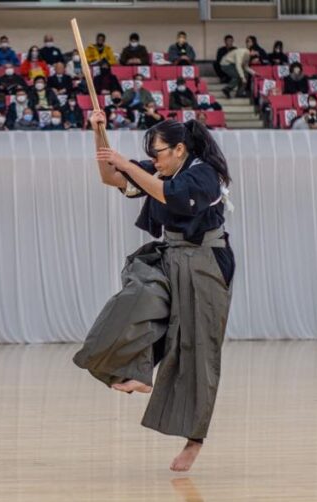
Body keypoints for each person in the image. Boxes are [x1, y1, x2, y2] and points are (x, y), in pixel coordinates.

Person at [73, 114, 234, 473]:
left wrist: (128, 163)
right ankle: (137, 370)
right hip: (170, 255)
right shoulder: (161, 169)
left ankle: (194, 439)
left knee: (197, 350)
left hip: (207, 262)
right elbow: (109, 176)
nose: (154, 159)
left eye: (158, 153)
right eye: (151, 155)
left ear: (180, 149)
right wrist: (99, 131)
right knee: (136, 301)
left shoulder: (204, 173)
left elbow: (169, 195)